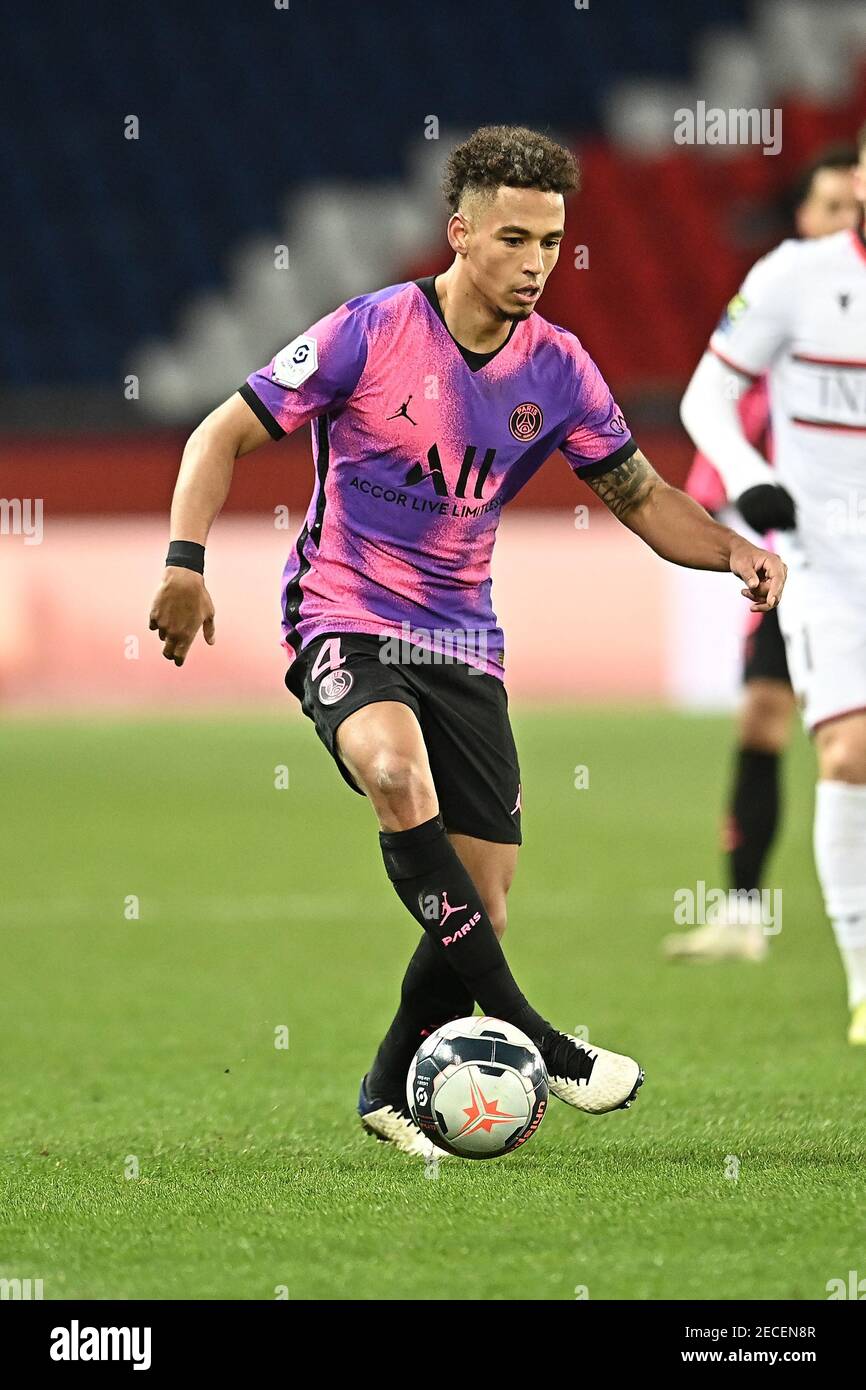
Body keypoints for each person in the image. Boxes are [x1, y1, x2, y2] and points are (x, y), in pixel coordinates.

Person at [149, 125, 786, 1155]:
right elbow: (216, 431)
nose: (536, 262)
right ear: (459, 234)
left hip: (462, 643)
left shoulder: (558, 370)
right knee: (397, 774)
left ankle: (383, 1086)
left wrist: (729, 553)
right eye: (514, 239)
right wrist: (184, 561)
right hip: (343, 613)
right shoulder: (369, 329)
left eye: (550, 241)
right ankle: (539, 1037)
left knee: (480, 899)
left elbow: (640, 498)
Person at [677, 127, 866, 1043]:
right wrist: (749, 478)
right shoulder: (794, 281)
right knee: (827, 744)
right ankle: (839, 965)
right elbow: (706, 400)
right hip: (817, 558)